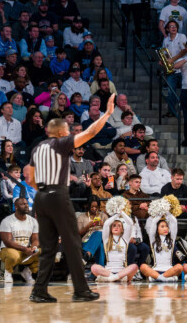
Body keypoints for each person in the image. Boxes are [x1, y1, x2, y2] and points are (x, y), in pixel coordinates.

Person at [26, 93, 114, 303]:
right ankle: (81, 290)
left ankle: (39, 291)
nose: (70, 133)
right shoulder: (60, 143)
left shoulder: (38, 148)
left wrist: (43, 190)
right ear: (61, 132)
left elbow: (29, 176)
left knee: (48, 247)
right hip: (58, 195)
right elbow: (91, 131)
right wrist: (108, 113)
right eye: (67, 130)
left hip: (41, 196)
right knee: (73, 243)